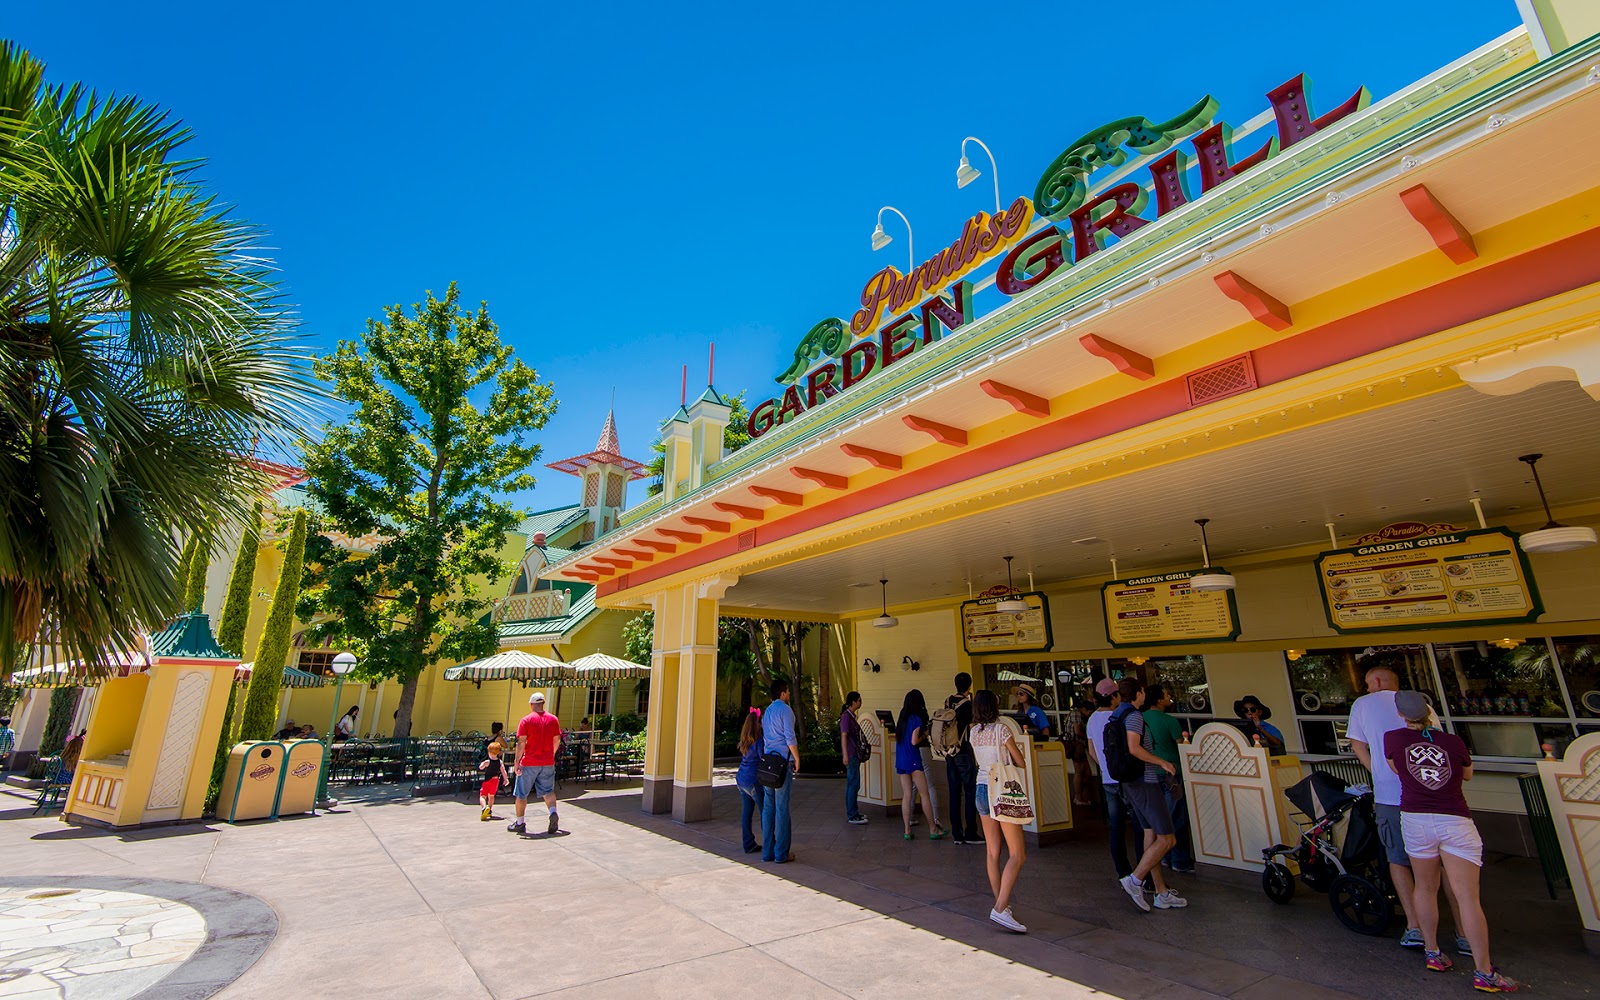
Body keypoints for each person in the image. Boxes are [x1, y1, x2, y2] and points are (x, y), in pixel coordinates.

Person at [1384, 690, 1518, 992]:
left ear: (1401, 715)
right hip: (1454, 818)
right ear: (1430, 712)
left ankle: (1432, 951)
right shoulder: (1452, 741)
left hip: (1416, 818)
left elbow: (1397, 768)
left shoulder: (1393, 739)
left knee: (1425, 886)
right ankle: (1484, 971)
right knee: (1467, 896)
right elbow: (1467, 774)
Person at [1347, 666, 1469, 954]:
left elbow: (1357, 744)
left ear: (1376, 681)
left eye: (1367, 683)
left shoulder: (1363, 705)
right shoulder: (1423, 706)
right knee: (1446, 865)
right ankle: (1464, 932)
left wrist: (1377, 771)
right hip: (1440, 797)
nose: (1366, 689)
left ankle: (1415, 927)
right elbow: (1450, 755)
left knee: (1399, 859)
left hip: (1391, 796)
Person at [1113, 677, 1188, 912]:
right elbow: (1134, 748)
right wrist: (1162, 763)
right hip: (1145, 781)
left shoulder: (1117, 715)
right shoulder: (1134, 716)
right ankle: (1135, 880)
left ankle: (1161, 891)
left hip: (1129, 783)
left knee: (1151, 834)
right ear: (1138, 694)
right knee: (1168, 838)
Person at [970, 689, 1028, 933]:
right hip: (1001, 791)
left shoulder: (973, 732)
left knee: (992, 852)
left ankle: (1002, 906)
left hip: (981, 789)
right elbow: (1020, 761)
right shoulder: (1002, 730)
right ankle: (1001, 907)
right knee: (1017, 854)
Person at [1085, 679, 1134, 879]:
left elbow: (1092, 750)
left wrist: (1105, 767)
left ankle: (1122, 870)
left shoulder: (1092, 720)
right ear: (1114, 696)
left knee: (1116, 825)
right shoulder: (1118, 717)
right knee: (1140, 825)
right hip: (1126, 778)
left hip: (1107, 778)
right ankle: (1143, 874)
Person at [1143, 685, 1194, 874]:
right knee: (1177, 818)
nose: (1169, 697)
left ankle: (1163, 856)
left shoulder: (1140, 719)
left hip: (1149, 774)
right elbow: (1182, 746)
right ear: (1158, 699)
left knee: (1159, 819)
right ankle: (1179, 860)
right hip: (1172, 772)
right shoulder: (1169, 721)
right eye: (1166, 695)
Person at [509, 691, 563, 835]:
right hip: (547, 761)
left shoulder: (526, 720)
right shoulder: (553, 719)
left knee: (521, 794)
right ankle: (553, 812)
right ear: (543, 703)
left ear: (532, 704)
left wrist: (516, 762)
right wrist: (551, 753)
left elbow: (521, 743)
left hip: (529, 762)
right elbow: (557, 739)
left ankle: (520, 823)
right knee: (548, 791)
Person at [896, 689, 945, 840]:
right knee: (924, 794)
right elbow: (914, 741)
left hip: (901, 760)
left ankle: (907, 830)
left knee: (907, 795)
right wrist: (925, 734)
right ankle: (933, 829)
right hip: (914, 759)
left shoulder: (902, 718)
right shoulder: (917, 719)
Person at [761, 678, 800, 863]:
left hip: (768, 764)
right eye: (788, 692)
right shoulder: (785, 710)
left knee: (768, 808)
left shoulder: (767, 711)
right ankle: (781, 853)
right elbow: (789, 737)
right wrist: (797, 758)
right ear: (783, 693)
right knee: (782, 807)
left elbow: (766, 737)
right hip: (783, 764)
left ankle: (767, 851)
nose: (789, 695)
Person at [944, 673, 979, 845]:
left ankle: (956, 833)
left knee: (954, 793)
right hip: (963, 750)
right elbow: (973, 726)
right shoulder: (968, 705)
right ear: (969, 686)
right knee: (970, 791)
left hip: (949, 752)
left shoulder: (947, 702)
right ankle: (971, 831)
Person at [736, 708, 765, 853]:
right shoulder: (759, 740)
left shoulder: (744, 740)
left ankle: (748, 843)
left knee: (746, 813)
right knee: (765, 811)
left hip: (741, 779)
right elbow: (763, 758)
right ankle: (770, 843)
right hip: (753, 780)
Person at [839, 692, 869, 825]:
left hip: (854, 754)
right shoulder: (846, 717)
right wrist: (845, 754)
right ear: (853, 702)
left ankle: (854, 812)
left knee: (854, 783)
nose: (860, 703)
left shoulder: (851, 717)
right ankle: (852, 814)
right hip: (851, 754)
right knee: (853, 784)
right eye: (859, 700)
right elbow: (844, 736)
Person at [1062, 697, 1094, 806]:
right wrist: (1088, 738)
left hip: (1078, 745)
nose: (1089, 715)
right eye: (1089, 712)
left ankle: (1078, 795)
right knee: (1079, 771)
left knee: (1086, 772)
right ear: (1084, 709)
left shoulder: (1075, 713)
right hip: (1076, 745)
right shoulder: (1077, 714)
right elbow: (1077, 731)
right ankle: (1078, 796)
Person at [477, 740, 508, 821]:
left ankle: (484, 808)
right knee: (491, 796)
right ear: (498, 752)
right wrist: (506, 779)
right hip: (495, 780)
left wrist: (482, 764)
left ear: (489, 751)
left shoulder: (487, 762)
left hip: (487, 780)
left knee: (483, 796)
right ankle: (489, 810)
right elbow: (503, 771)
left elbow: (481, 767)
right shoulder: (500, 762)